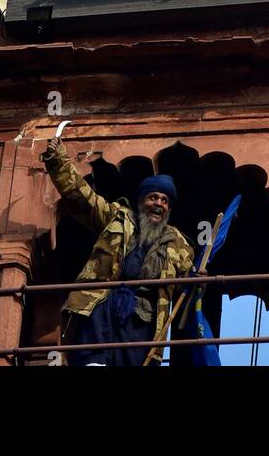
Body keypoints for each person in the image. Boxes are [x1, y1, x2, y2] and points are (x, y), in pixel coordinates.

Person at [40, 135, 194, 367]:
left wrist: (197, 279)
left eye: (164, 201)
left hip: (143, 316)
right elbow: (83, 199)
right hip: (105, 304)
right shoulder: (119, 218)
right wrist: (58, 160)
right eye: (153, 197)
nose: (159, 204)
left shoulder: (178, 243)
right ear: (142, 201)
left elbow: (187, 282)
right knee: (94, 358)